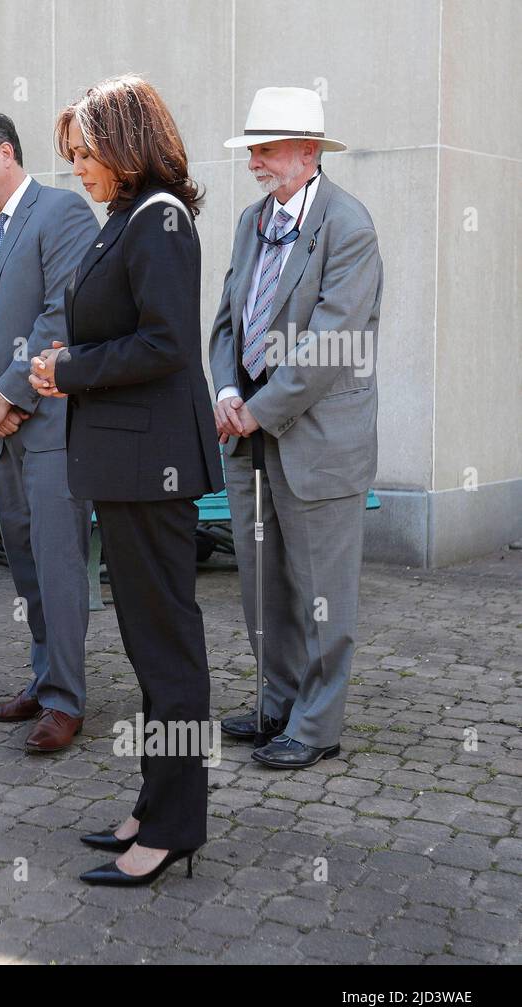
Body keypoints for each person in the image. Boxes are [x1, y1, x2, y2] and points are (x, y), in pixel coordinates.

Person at [29, 75, 221, 885]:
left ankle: (176, 825)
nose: (78, 167)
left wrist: (68, 369)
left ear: (126, 144)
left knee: (169, 652)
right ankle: (153, 802)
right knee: (150, 650)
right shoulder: (127, 221)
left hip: (153, 468)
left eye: (86, 153)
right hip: (128, 466)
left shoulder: (161, 221)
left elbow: (167, 343)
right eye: (71, 155)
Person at [210, 86, 382, 769]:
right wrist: (226, 389)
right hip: (249, 434)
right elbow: (228, 319)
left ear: (308, 153)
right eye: (252, 148)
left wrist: (258, 406)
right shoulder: (252, 219)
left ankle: (317, 724)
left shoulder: (350, 225)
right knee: (262, 582)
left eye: (268, 148)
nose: (255, 160)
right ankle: (276, 701)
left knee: (319, 590)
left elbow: (328, 344)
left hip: (318, 440)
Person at [0, 111, 101, 754]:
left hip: (56, 429)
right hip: (5, 434)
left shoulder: (62, 214)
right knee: (27, 562)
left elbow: (61, 316)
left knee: (62, 565)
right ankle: (44, 683)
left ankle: (67, 702)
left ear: (5, 153)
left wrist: (8, 396)